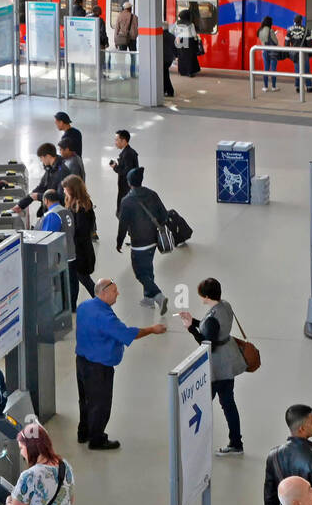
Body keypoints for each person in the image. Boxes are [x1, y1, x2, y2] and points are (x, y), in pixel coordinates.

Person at [74, 278, 166, 450]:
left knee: (85, 399)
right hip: (99, 367)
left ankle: (84, 432)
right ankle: (97, 439)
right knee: (100, 403)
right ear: (104, 293)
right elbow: (126, 334)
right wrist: (152, 329)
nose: (118, 293)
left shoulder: (84, 306)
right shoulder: (105, 317)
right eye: (115, 291)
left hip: (81, 361)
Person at [177, 277, 247, 456]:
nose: (201, 299)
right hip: (228, 359)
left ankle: (193, 438)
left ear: (207, 296)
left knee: (203, 401)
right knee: (228, 403)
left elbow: (207, 342)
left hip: (217, 367)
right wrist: (193, 321)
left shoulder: (212, 319)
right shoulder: (225, 306)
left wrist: (190, 328)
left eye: (202, 296)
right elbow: (212, 328)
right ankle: (236, 442)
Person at [116, 169, 171, 314]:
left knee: (140, 273)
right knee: (147, 268)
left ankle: (158, 296)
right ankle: (148, 299)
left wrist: (119, 241)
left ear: (129, 182)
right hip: (153, 240)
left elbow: (123, 224)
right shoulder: (152, 194)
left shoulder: (127, 201)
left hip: (138, 243)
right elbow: (164, 215)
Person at [63, 175, 98, 307]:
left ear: (73, 190)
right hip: (79, 250)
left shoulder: (81, 207)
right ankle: (73, 305)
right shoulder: (78, 203)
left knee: (83, 279)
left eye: (66, 189)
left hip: (80, 252)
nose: (64, 192)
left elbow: (81, 231)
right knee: (78, 280)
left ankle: (100, 302)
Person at [14, 143, 69, 216]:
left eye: (41, 158)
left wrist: (39, 196)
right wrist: (21, 205)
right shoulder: (50, 169)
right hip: (49, 209)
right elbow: (41, 187)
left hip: (58, 212)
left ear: (48, 156)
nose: (41, 161)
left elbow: (61, 197)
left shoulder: (62, 172)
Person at [108, 129, 140, 216]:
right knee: (120, 214)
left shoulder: (128, 154)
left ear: (124, 141)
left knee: (122, 214)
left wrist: (115, 167)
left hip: (126, 190)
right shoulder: (127, 152)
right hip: (127, 189)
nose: (115, 142)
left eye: (117, 140)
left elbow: (127, 172)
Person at [283, 14, 312, 92]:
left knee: (297, 70)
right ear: (301, 21)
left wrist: (288, 52)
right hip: (304, 52)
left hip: (295, 53)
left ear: (294, 21)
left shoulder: (290, 30)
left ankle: (298, 87)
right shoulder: (305, 30)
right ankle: (309, 87)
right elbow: (309, 43)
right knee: (306, 70)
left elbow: (286, 42)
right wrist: (310, 53)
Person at [256, 15, 281, 93]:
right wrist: (275, 35)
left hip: (264, 51)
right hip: (272, 52)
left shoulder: (260, 30)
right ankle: (273, 86)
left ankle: (265, 87)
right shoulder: (271, 31)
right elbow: (276, 42)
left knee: (266, 69)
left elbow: (263, 40)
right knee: (273, 69)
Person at [174, 8, 201, 78]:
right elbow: (194, 34)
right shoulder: (190, 24)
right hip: (188, 40)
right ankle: (189, 72)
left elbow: (175, 31)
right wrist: (197, 40)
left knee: (181, 56)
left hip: (179, 40)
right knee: (189, 57)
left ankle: (182, 71)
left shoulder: (177, 23)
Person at [114, 0, 139, 75]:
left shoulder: (119, 16)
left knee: (122, 57)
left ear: (124, 8)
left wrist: (116, 41)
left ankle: (122, 74)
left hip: (122, 39)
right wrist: (134, 36)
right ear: (130, 8)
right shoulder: (134, 17)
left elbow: (116, 29)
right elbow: (137, 29)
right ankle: (133, 73)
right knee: (133, 57)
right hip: (132, 39)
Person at [162, 14, 178, 97]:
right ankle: (164, 90)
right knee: (165, 74)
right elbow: (175, 47)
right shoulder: (172, 36)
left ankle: (170, 91)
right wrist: (175, 56)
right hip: (169, 59)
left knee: (165, 75)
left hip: (162, 58)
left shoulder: (160, 37)